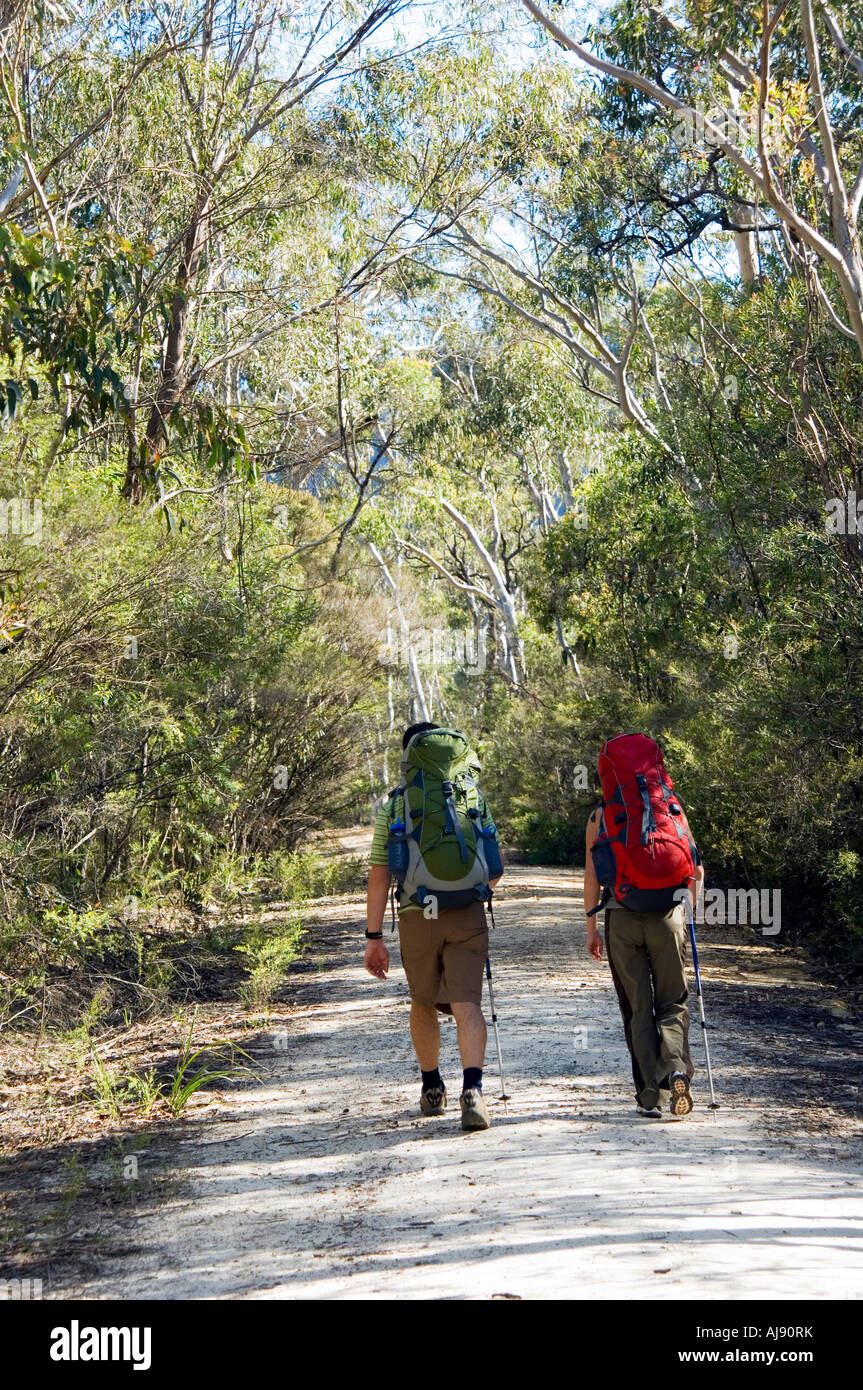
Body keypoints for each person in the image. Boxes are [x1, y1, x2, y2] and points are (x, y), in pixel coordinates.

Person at [363, 722, 503, 1131]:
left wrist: (374, 938)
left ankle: (431, 1087)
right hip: (467, 912)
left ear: (408, 758)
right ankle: (473, 1090)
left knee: (423, 1000)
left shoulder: (395, 804)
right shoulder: (470, 795)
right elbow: (494, 869)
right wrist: (469, 892)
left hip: (415, 914)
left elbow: (380, 876)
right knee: (467, 1003)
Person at [583, 741, 705, 1118]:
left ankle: (650, 1093)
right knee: (672, 1001)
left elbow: (591, 878)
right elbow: (696, 869)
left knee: (637, 1008)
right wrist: (688, 912)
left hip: (621, 917)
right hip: (668, 916)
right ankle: (675, 1071)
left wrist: (591, 927)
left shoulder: (600, 816)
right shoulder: (671, 805)